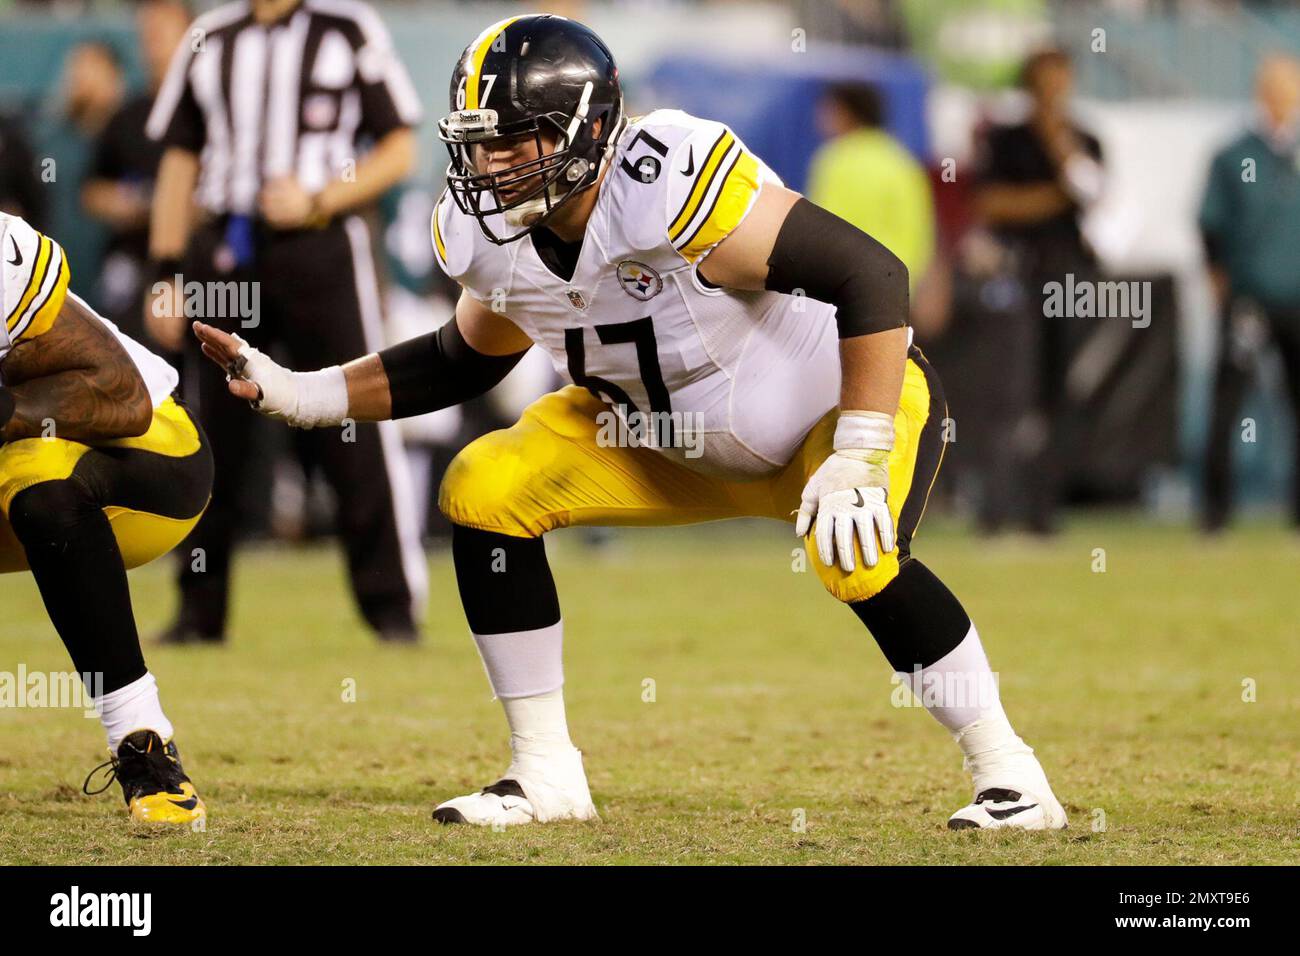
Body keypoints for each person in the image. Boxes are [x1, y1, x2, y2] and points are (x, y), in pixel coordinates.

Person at [194, 15, 1068, 831]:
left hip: (829, 411)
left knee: (858, 552)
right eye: (477, 144)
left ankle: (1013, 775)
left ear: (582, 131)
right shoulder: (494, 233)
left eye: (510, 139)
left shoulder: (668, 180)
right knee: (485, 488)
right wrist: (300, 393)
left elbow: (872, 276)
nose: (490, 165)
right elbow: (462, 357)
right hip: (659, 438)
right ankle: (544, 772)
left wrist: (859, 451)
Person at [144, 0, 427, 644]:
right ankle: (198, 610)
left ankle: (391, 609)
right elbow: (181, 159)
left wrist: (320, 197)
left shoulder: (348, 27)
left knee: (357, 415)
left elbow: (399, 147)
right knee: (209, 430)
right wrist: (164, 268)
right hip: (225, 248)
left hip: (320, 246)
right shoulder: (209, 36)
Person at [0, 212, 211, 825]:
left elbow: (121, 394)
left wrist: (7, 406)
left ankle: (143, 743)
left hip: (149, 455)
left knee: (37, 471)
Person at [972, 47, 1104, 534]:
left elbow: (1095, 196)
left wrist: (1060, 145)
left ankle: (1045, 513)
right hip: (1020, 275)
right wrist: (1056, 196)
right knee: (1011, 390)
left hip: (1071, 276)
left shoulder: (1084, 137)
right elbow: (994, 204)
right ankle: (996, 511)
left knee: (1059, 394)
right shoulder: (1006, 139)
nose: (1054, 90)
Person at [1200, 54, 1300, 532]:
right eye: (1275, 86)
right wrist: (1222, 286)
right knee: (1229, 403)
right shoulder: (1235, 154)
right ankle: (1215, 512)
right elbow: (1211, 227)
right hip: (1250, 298)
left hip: (1297, 299)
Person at [82, 0, 192, 348]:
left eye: (163, 32)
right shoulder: (128, 116)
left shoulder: (210, 109)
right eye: (148, 34)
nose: (154, 42)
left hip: (197, 261)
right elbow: (92, 190)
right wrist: (124, 204)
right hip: (133, 256)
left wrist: (175, 207)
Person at [807, 81, 935, 292]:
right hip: (897, 288)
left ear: (846, 113)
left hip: (844, 288)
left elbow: (824, 227)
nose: (820, 117)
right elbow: (921, 230)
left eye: (828, 109)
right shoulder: (903, 160)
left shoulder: (837, 158)